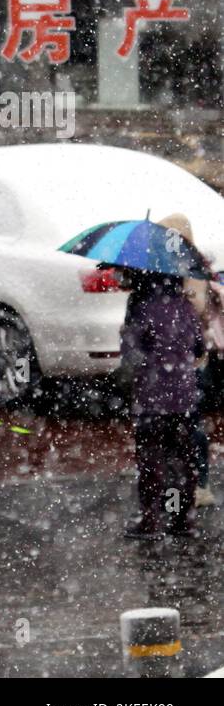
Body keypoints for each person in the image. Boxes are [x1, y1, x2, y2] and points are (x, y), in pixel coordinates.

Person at [120, 267, 203, 539]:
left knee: (151, 460)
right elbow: (199, 347)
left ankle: (150, 522)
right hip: (184, 395)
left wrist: (127, 335)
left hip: (152, 396)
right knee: (181, 460)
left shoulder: (140, 307)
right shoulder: (186, 307)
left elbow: (131, 356)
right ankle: (180, 521)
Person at [156, 214, 220, 508]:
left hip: (191, 363)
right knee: (172, 427)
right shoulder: (164, 268)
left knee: (190, 426)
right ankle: (177, 486)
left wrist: (174, 292)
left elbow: (195, 306)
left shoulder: (192, 268)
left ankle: (200, 486)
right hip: (169, 361)